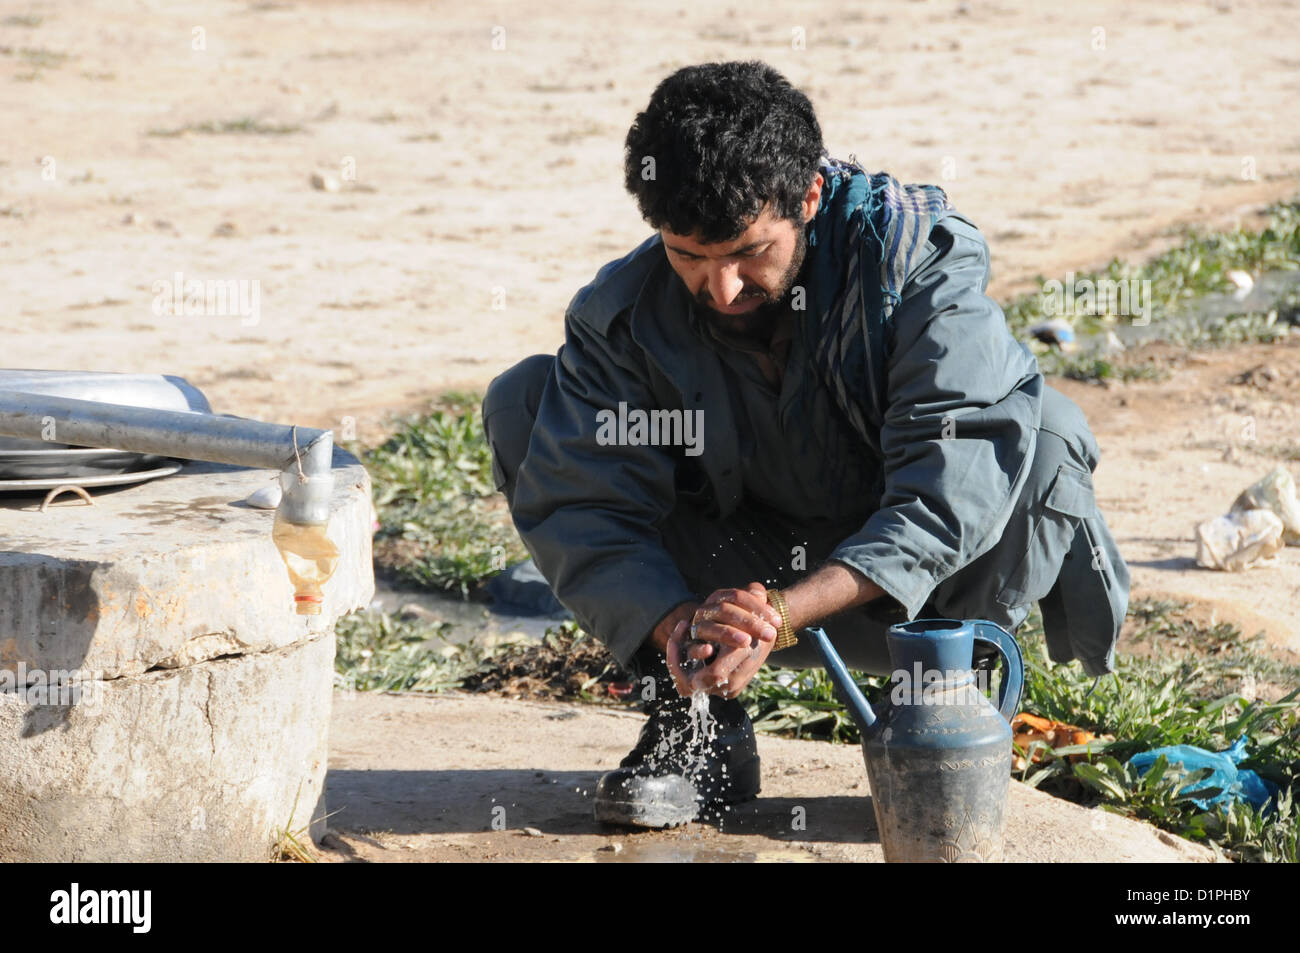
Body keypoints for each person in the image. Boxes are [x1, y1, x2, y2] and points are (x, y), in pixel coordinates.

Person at [482, 60, 1129, 828]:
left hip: (904, 598)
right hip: (725, 596)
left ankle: (934, 714)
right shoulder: (624, 312)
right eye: (689, 255)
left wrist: (785, 612)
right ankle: (695, 727)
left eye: (748, 251)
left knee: (1041, 434)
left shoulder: (916, 263)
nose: (720, 290)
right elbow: (587, 501)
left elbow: (948, 488)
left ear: (810, 197)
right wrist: (682, 625)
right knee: (527, 404)